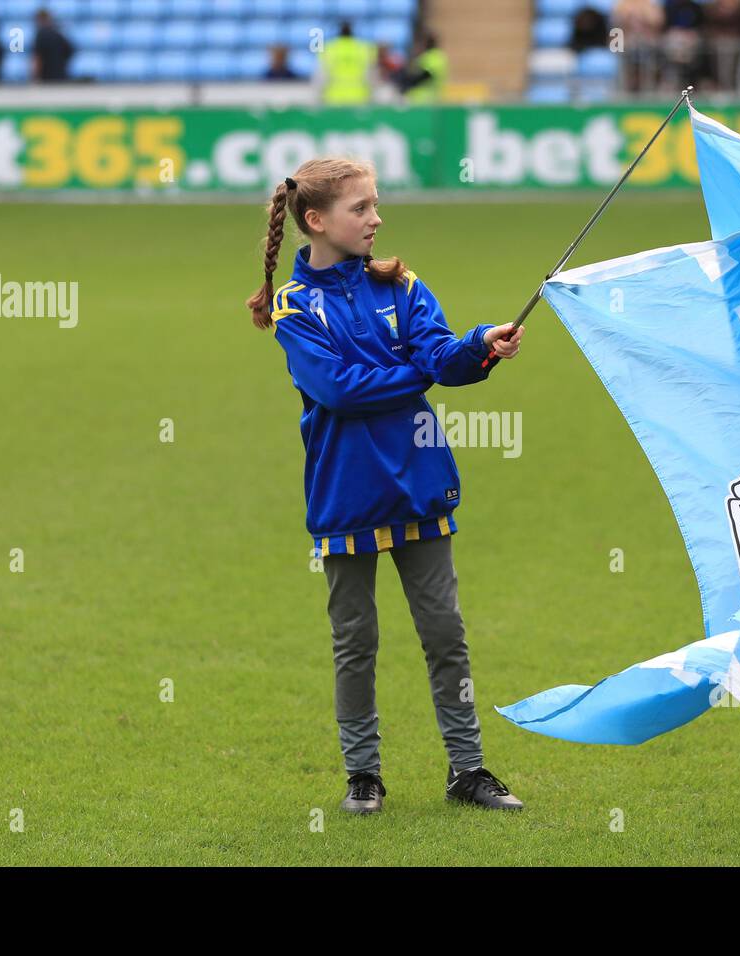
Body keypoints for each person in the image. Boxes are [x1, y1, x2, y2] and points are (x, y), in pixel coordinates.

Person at [246, 158, 526, 814]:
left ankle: (468, 769)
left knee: (445, 635)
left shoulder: (402, 284)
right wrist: (418, 369)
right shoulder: (293, 304)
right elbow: (338, 390)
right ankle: (363, 775)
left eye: (375, 205)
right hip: (346, 495)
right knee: (356, 641)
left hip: (420, 489)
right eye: (361, 208)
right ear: (316, 221)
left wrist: (481, 344)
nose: (376, 218)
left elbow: (442, 359)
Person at [318, 20, 376, 104]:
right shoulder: (365, 48)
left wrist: (320, 97)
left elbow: (321, 77)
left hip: (333, 97)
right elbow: (371, 76)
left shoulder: (328, 48)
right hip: (360, 97)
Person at [398, 31, 447, 103]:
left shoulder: (430, 57)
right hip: (431, 96)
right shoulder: (439, 56)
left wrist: (406, 85)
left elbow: (424, 76)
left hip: (423, 99)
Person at [32, 8, 74, 83]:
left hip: (46, 78)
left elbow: (38, 58)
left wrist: (35, 77)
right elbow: (70, 51)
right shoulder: (58, 34)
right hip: (61, 76)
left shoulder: (40, 35)